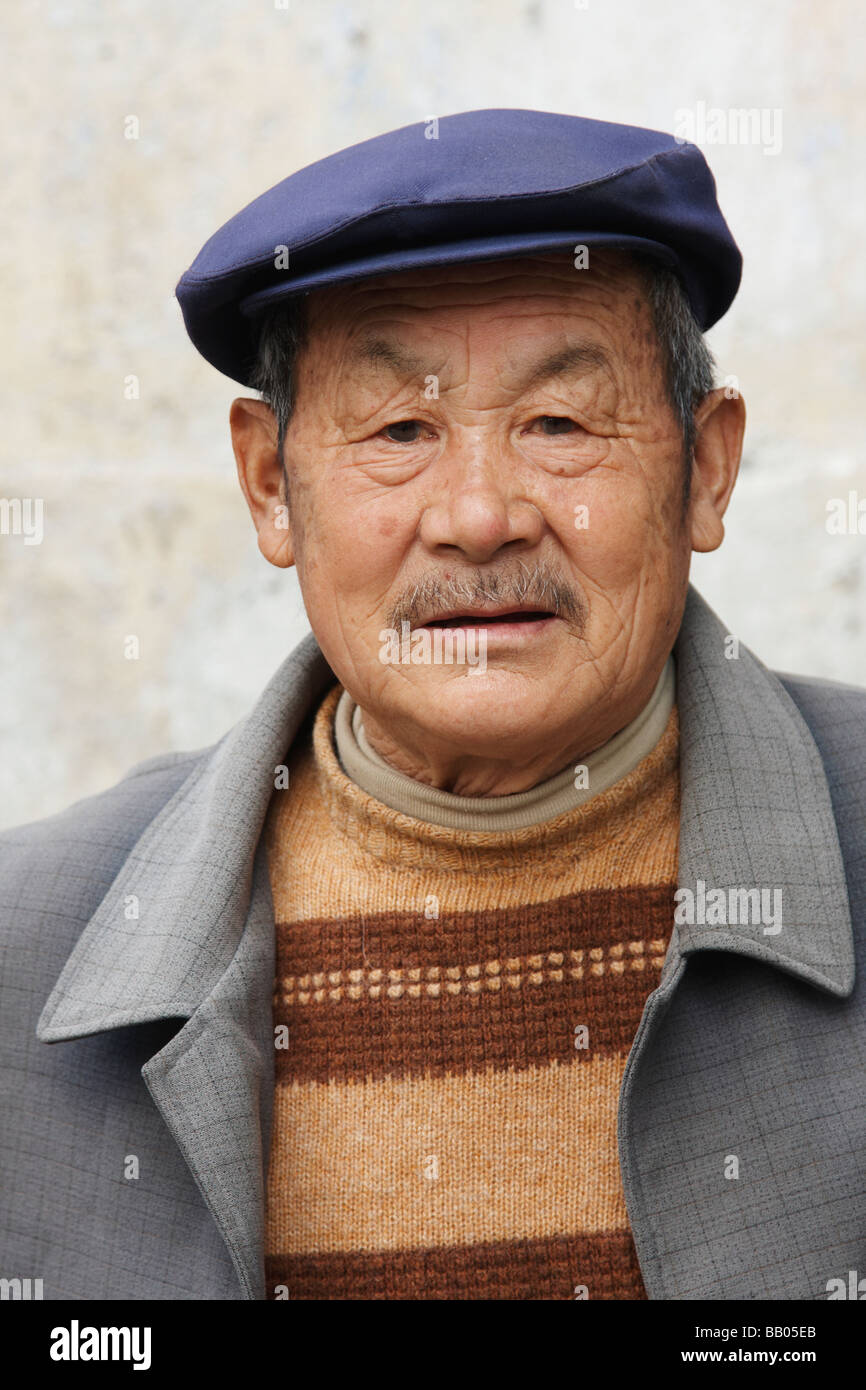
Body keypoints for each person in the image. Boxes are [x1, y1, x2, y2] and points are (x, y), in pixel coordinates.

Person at [1, 109, 863, 1302]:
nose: (476, 514)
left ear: (705, 469)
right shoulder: (24, 953)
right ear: (269, 485)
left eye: (557, 423)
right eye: (399, 430)